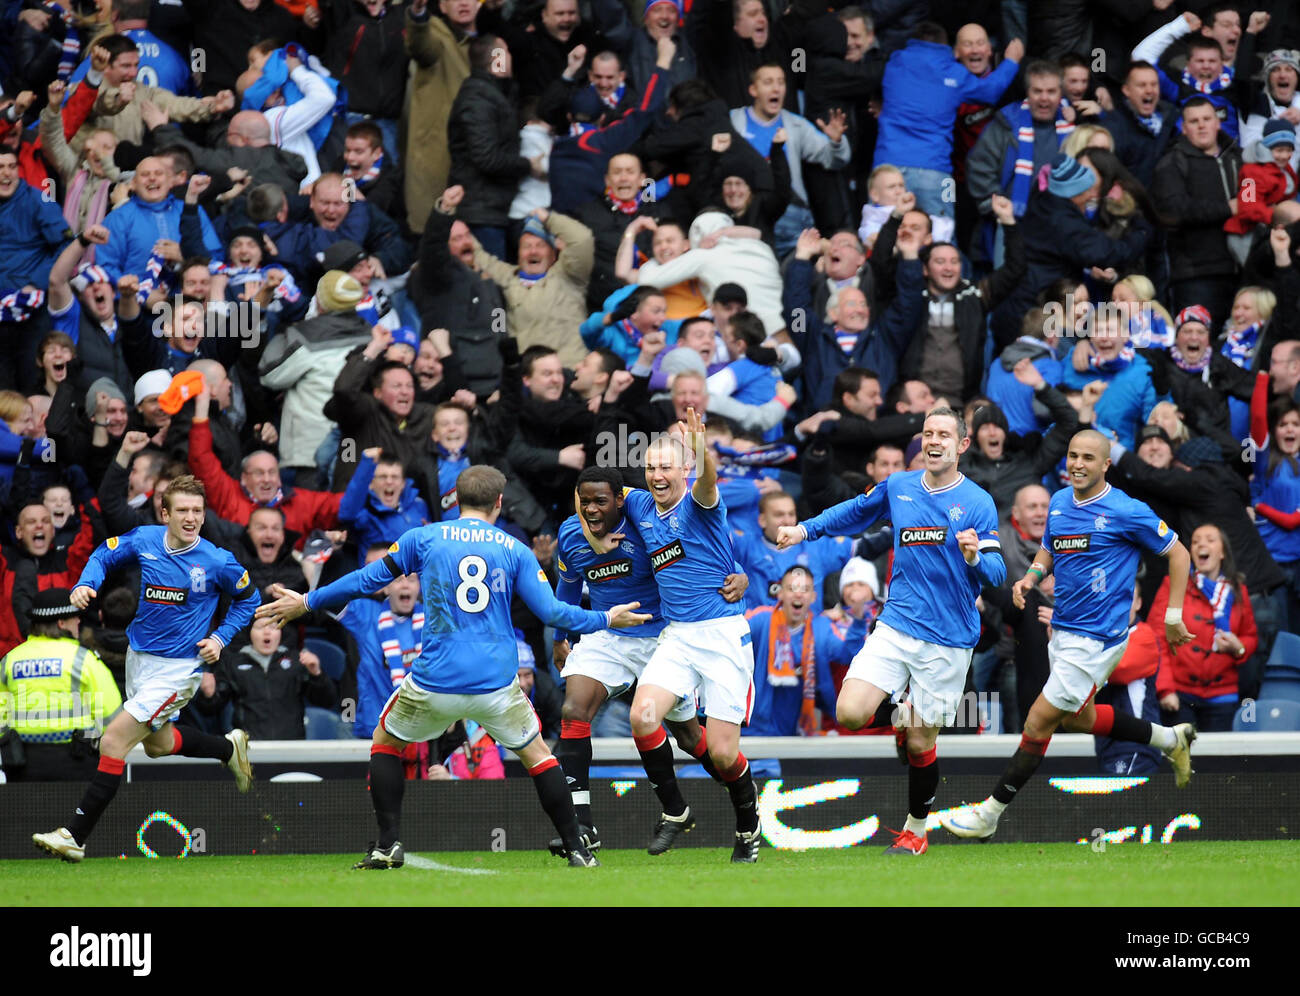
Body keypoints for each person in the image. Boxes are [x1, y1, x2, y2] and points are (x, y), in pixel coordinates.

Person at [255, 464, 651, 869]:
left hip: (437, 680)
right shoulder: (514, 548)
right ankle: (578, 849)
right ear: (499, 502)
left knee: (386, 741)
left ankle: (388, 844)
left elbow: (365, 579)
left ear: (455, 501)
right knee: (537, 754)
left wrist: (306, 601)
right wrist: (606, 619)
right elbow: (553, 612)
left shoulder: (423, 538)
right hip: (495, 684)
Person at [940, 431, 1198, 842]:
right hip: (1062, 631)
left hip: (1098, 639)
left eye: (1088, 458)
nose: (1077, 464)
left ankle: (989, 814)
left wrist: (1172, 614)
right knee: (1081, 719)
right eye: (1072, 455)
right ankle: (1169, 737)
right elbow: (1049, 548)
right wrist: (1031, 576)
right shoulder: (1059, 501)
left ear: (1106, 465)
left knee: (1038, 722)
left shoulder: (1126, 510)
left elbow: (1179, 553)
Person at [777, 406, 1005, 855]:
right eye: (927, 434)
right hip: (897, 624)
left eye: (944, 434)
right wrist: (806, 529)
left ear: (962, 445)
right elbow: (856, 511)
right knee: (850, 713)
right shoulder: (900, 485)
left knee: (922, 740)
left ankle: (915, 831)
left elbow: (997, 573)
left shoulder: (977, 502)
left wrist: (976, 556)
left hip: (949, 637)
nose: (933, 441)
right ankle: (902, 713)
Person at [33, 475, 260, 862]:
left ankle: (74, 835)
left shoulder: (217, 561)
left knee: (113, 741)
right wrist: (85, 584)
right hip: (141, 660)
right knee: (157, 745)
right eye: (183, 511)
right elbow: (104, 554)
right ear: (165, 513)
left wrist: (220, 638)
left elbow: (248, 600)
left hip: (180, 669)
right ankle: (228, 747)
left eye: (197, 512)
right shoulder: (145, 539)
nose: (191, 518)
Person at [589, 408, 761, 862]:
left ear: (684, 469)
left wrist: (702, 449)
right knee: (643, 717)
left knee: (724, 756)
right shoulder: (642, 503)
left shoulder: (700, 503)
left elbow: (708, 482)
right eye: (651, 467)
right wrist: (591, 537)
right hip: (678, 636)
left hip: (722, 635)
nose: (657, 475)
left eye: (666, 466)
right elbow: (589, 489)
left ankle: (748, 826)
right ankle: (675, 810)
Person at [551, 466, 748, 854]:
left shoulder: (644, 520)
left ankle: (741, 798)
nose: (591, 509)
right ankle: (583, 828)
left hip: (662, 636)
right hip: (608, 634)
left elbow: (704, 550)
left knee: (691, 738)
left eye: (600, 501)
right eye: (584, 502)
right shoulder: (571, 534)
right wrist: (561, 637)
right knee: (574, 710)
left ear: (620, 500)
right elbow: (568, 586)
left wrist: (739, 573)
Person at [0, 588, 122, 782]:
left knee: (26, 813)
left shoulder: (10, 660)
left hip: (21, 763)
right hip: (77, 761)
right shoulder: (83, 659)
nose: (79, 621)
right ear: (61, 622)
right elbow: (112, 714)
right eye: (75, 617)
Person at [1152, 524, 1257, 733]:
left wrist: (1239, 647)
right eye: (1196, 541)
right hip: (1180, 694)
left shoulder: (1237, 591)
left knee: (1218, 761)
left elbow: (1250, 636)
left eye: (1210, 539)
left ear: (1222, 552)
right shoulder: (1173, 584)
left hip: (1223, 694)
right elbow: (1157, 640)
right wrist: (1165, 689)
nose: (1201, 544)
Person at [744, 564, 869, 737]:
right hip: (750, 731)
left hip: (793, 735)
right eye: (792, 588)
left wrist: (859, 618)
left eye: (805, 589)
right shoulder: (760, 619)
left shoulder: (821, 628)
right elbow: (729, 636)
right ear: (780, 593)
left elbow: (849, 654)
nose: (798, 594)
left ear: (813, 597)